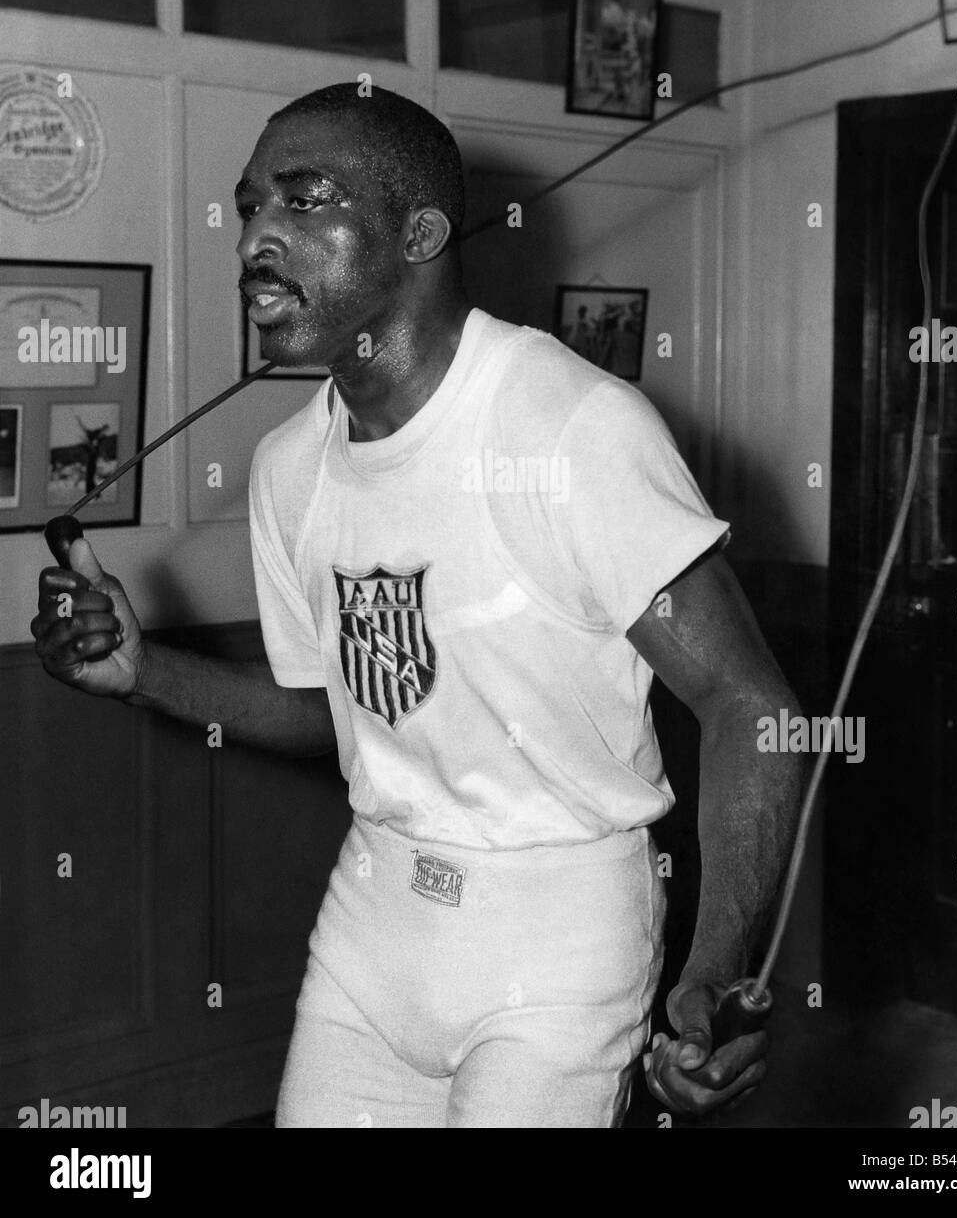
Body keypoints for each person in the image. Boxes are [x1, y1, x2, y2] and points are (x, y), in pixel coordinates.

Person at [31, 83, 805, 1129]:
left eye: (304, 202)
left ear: (421, 233)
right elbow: (333, 709)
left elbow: (749, 702)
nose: (258, 235)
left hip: (558, 927)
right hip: (376, 918)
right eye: (250, 205)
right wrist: (142, 670)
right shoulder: (289, 466)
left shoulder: (568, 426)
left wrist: (713, 965)